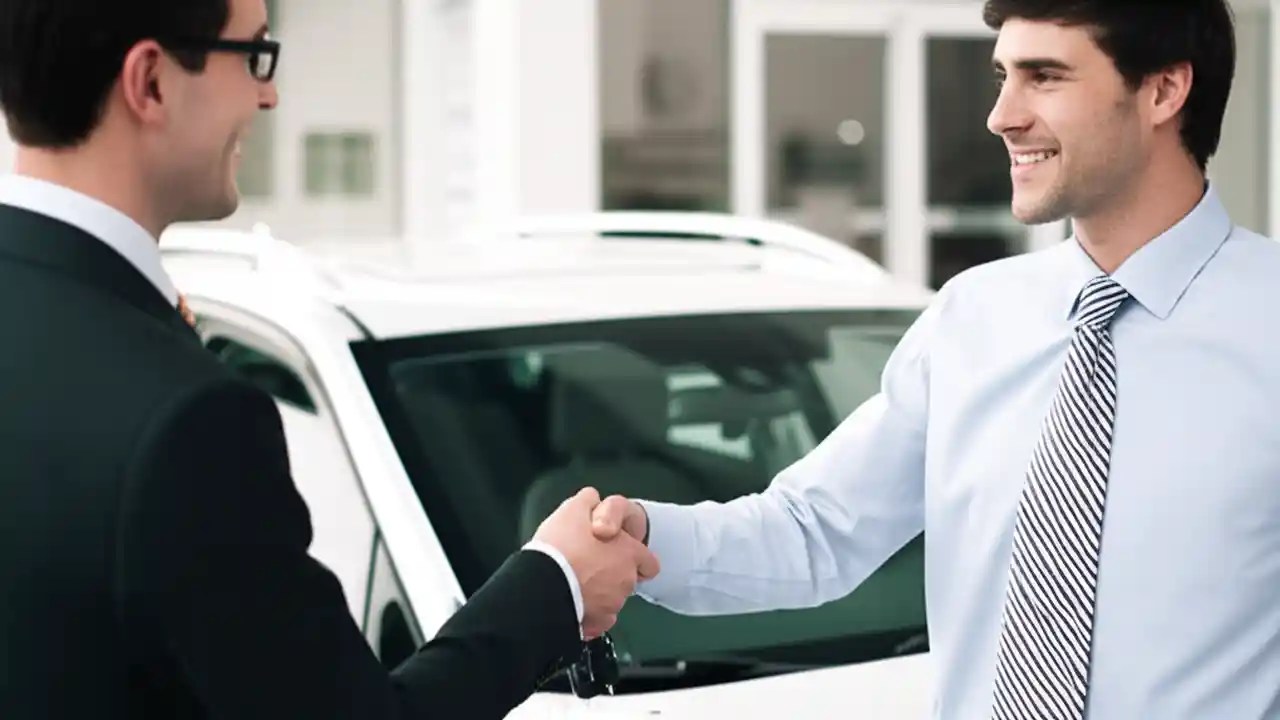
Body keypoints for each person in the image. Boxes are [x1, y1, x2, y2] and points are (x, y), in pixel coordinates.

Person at [592, 0, 1280, 718]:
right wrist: (642, 536)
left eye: (1044, 76)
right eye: (1002, 76)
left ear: (1165, 91)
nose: (1002, 116)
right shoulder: (970, 320)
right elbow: (816, 532)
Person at [0, 1, 658, 718]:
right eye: (253, 55)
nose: (268, 93)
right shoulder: (188, 422)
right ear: (152, 81)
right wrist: (558, 583)